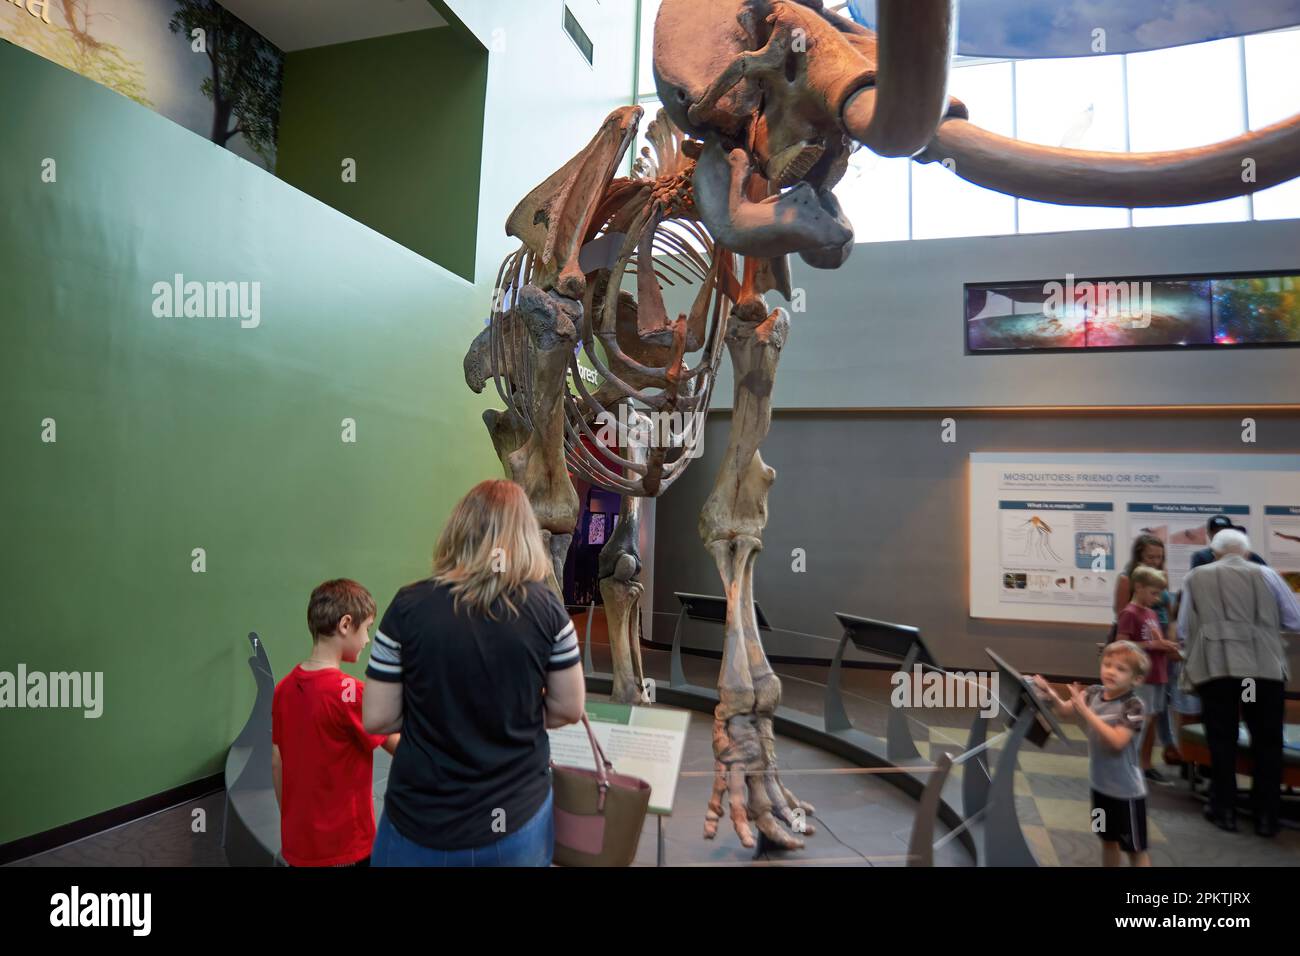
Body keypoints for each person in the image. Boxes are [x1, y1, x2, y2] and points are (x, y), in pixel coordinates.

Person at [364, 479, 586, 866]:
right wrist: (513, 715)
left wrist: (434, 715)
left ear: (459, 529)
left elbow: (378, 717)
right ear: (526, 535)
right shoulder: (548, 609)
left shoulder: (408, 605)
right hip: (515, 822)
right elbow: (569, 708)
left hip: (419, 822)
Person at [1178, 528, 1300, 836]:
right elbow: (1294, 619)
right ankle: (1266, 816)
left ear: (1214, 552)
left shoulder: (1196, 576)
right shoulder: (1268, 575)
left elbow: (1183, 627)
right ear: (1245, 552)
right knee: (1267, 741)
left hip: (1219, 669)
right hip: (1263, 671)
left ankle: (1225, 811)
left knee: (1222, 740)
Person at [271, 579, 400, 867]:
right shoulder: (351, 693)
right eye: (366, 628)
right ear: (345, 624)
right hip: (347, 849)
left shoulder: (284, 689)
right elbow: (400, 747)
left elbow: (277, 761)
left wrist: (291, 823)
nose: (367, 639)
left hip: (299, 845)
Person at [1031, 642, 1151, 867]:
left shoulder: (1134, 706)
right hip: (1100, 787)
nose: (1111, 672)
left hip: (1126, 793)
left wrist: (1085, 712)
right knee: (1107, 841)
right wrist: (1051, 693)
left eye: (1121, 669)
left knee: (1135, 850)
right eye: (1107, 665)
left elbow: (1117, 742)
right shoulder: (1095, 692)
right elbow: (1066, 711)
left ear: (1136, 679)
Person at [1112, 534, 1186, 770]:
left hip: (1158, 650)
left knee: (1155, 710)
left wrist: (1168, 642)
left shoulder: (1155, 599)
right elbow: (1124, 624)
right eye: (1150, 557)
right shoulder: (1129, 586)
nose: (1155, 561)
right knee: (1138, 713)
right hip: (1140, 656)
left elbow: (1168, 612)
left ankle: (1146, 763)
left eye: (1160, 557)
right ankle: (1131, 764)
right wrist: (1153, 644)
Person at [1189, 515, 1267, 569]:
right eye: (1216, 532)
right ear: (1209, 534)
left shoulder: (1252, 557)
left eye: (1224, 531)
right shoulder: (1201, 557)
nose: (1220, 535)